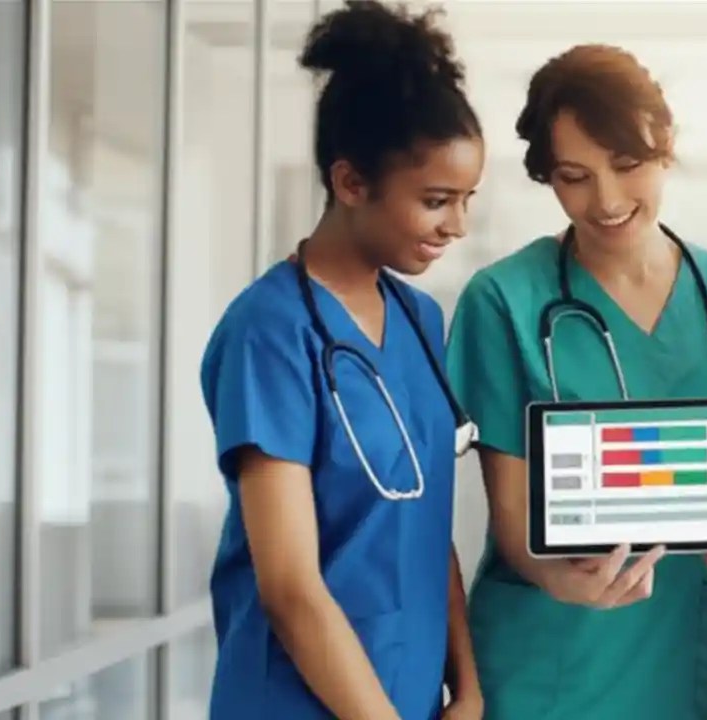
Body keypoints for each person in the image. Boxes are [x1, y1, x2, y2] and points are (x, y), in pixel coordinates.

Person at [444, 44, 707, 720]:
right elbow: (511, 514)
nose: (604, 200)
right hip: (542, 663)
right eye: (573, 176)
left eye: (627, 165)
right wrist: (559, 577)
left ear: (666, 147)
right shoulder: (506, 300)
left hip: (679, 665)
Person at [198, 2, 486, 718]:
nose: (457, 225)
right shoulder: (270, 331)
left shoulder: (421, 321)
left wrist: (470, 685)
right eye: (436, 200)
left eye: (466, 200)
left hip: (411, 693)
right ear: (351, 183)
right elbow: (290, 588)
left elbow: (426, 526)